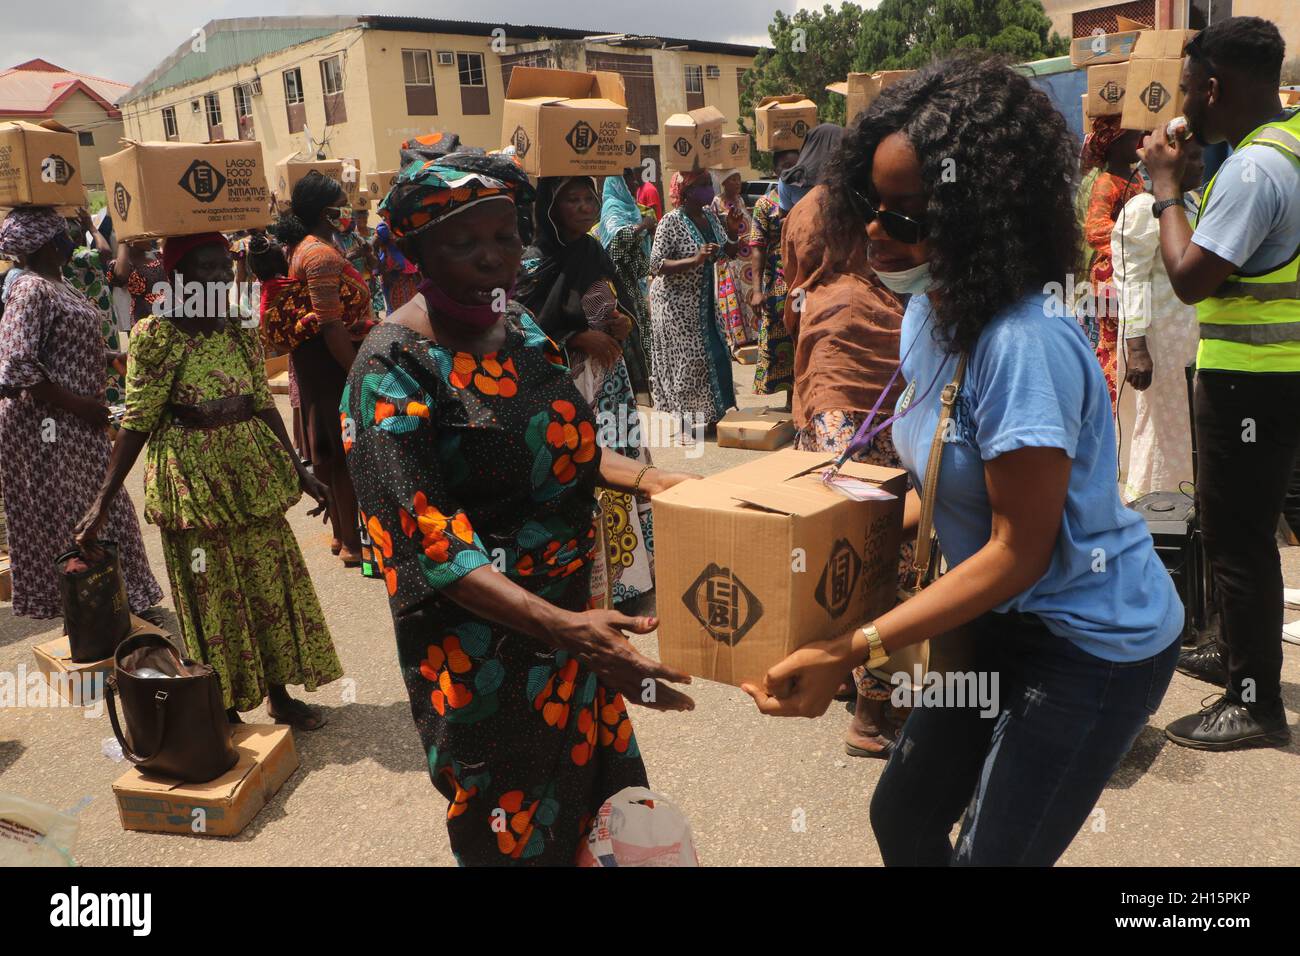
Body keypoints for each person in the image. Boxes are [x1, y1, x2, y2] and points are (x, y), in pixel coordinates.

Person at [743, 57, 1183, 866]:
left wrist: (854, 645)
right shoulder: (927, 312)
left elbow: (1021, 550)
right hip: (997, 619)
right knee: (904, 818)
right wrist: (797, 549)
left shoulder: (1021, 345)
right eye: (872, 207)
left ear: (982, 217)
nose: (878, 231)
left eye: (909, 216)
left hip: (1089, 642)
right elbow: (939, 489)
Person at [344, 152, 697, 865]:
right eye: (463, 243)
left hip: (576, 631)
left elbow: (574, 451)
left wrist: (667, 486)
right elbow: (430, 546)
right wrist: (568, 631)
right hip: (483, 659)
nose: (493, 258)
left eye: (505, 236)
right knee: (516, 837)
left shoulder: (523, 329)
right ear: (416, 254)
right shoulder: (391, 366)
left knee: (603, 825)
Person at [75, 233, 342, 729]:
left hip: (251, 477)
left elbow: (263, 402)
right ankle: (223, 701)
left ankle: (279, 694)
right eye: (207, 267)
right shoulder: (158, 335)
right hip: (193, 484)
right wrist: (103, 500)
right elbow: (136, 421)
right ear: (177, 278)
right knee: (212, 591)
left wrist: (300, 471)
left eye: (225, 266)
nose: (220, 277)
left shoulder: (238, 330)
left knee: (268, 582)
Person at [1139, 17, 1299, 750]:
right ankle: (1237, 655)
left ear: (1212, 87)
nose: (1179, 105)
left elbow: (1192, 277)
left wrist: (1167, 189)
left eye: (1184, 87)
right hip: (1274, 376)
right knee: (1240, 530)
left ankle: (1255, 701)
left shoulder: (1252, 170)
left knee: (1239, 539)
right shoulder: (1280, 148)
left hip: (1251, 381)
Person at [780, 163, 908, 758]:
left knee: (840, 568)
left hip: (828, 441)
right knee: (883, 573)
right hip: (862, 455)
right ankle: (870, 714)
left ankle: (844, 675)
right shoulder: (865, 301)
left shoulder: (818, 294)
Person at [0, 207, 162, 620]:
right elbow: (18, 365)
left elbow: (60, 345)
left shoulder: (58, 282)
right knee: (72, 515)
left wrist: (112, 357)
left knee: (104, 507)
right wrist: (82, 406)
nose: (74, 241)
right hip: (46, 428)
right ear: (49, 243)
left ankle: (118, 605)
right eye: (65, 235)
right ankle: (89, 613)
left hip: (76, 423)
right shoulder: (30, 289)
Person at [518, 175, 658, 608]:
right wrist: (576, 337)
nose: (584, 207)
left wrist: (621, 324)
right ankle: (595, 575)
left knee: (625, 465)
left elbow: (613, 305)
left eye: (588, 198)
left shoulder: (593, 250)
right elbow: (525, 327)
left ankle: (631, 575)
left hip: (609, 381)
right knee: (588, 469)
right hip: (569, 386)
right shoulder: (532, 263)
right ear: (550, 208)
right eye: (572, 200)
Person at [272, 172, 371, 566]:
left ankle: (339, 535)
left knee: (329, 450)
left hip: (314, 363)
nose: (345, 209)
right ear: (325, 211)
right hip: (331, 363)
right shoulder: (320, 255)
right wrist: (356, 373)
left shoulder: (307, 249)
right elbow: (330, 322)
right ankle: (351, 541)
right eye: (339, 203)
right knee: (343, 454)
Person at [1112, 139, 1206, 501]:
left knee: (1186, 425)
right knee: (1160, 427)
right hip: (1159, 343)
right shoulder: (1141, 209)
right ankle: (1155, 508)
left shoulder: (1192, 204)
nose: (1200, 165)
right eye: (1193, 158)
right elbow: (1129, 279)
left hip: (1190, 340)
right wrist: (1137, 347)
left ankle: (1189, 507)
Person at [648, 166, 738, 441]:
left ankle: (714, 415)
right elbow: (655, 264)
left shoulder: (710, 217)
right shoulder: (670, 222)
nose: (709, 189)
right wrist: (694, 260)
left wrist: (733, 235)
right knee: (688, 361)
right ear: (687, 193)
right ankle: (687, 420)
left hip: (703, 303)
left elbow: (725, 252)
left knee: (718, 354)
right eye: (703, 185)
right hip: (675, 305)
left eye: (710, 183)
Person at [1081, 116, 1145, 407]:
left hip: (1130, 270)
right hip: (1111, 274)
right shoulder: (1106, 184)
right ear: (1114, 143)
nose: (1140, 139)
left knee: (1131, 338)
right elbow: (1094, 230)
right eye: (1133, 135)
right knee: (1114, 342)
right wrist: (1134, 240)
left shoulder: (1136, 178)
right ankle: (1111, 404)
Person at [595, 167, 656, 400]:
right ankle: (637, 390)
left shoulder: (630, 209)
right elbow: (617, 243)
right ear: (617, 183)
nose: (633, 183)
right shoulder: (612, 207)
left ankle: (646, 388)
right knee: (631, 337)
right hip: (620, 285)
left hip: (634, 282)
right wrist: (643, 226)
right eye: (628, 179)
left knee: (642, 333)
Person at [746, 148, 800, 404]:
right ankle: (791, 401)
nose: (793, 170)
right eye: (787, 166)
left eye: (797, 164)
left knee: (805, 339)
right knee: (783, 341)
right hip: (779, 284)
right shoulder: (765, 204)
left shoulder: (810, 198)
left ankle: (801, 399)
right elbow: (757, 247)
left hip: (807, 280)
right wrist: (757, 291)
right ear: (777, 171)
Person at [710, 168, 756, 352]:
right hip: (730, 259)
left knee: (749, 296)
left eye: (739, 179)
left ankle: (752, 335)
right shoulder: (717, 202)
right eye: (733, 179)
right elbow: (717, 231)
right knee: (733, 297)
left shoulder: (740, 200)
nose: (738, 183)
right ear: (724, 182)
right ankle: (737, 339)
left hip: (747, 260)